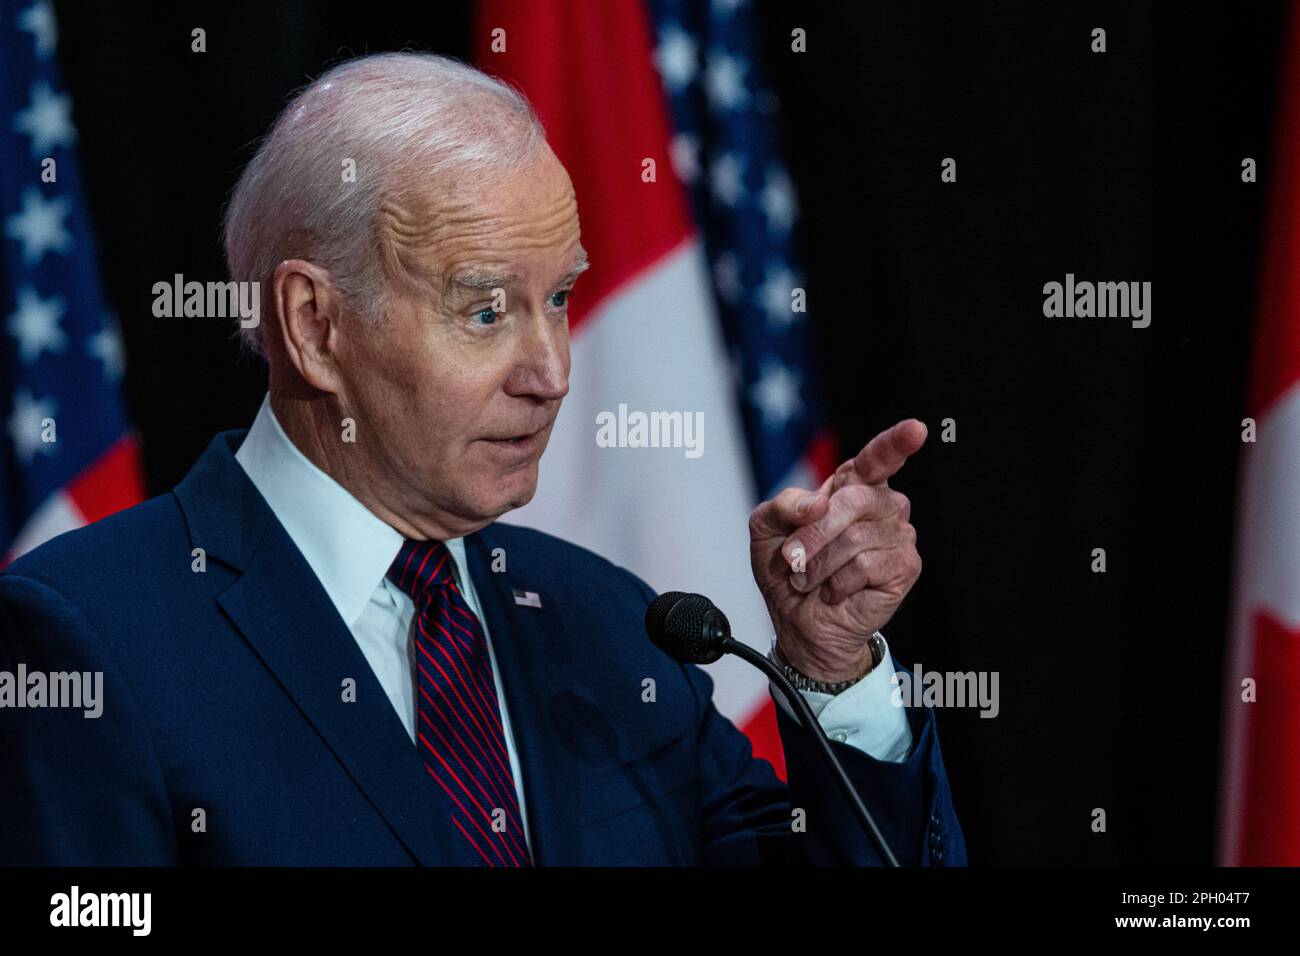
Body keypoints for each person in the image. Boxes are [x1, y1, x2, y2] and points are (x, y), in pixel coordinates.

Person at [0, 53, 964, 866]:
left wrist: (830, 670)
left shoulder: (611, 624)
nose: (552, 373)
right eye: (486, 310)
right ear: (314, 325)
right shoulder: (91, 636)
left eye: (560, 300)